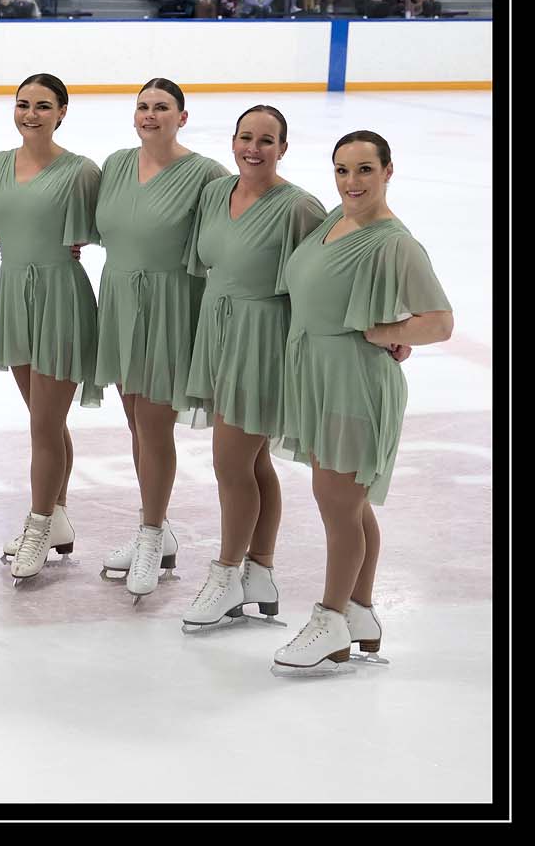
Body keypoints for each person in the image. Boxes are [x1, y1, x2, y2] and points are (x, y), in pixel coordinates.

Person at [273, 131, 453, 672]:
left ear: (388, 172)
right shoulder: (335, 219)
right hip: (319, 374)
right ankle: (361, 611)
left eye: (365, 170)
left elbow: (439, 323)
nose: (352, 182)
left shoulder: (395, 242)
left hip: (354, 380)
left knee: (337, 504)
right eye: (342, 170)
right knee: (349, 503)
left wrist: (384, 333)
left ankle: (330, 619)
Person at [179, 106, 327, 629]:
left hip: (263, 340)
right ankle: (259, 571)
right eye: (246, 137)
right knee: (253, 462)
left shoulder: (299, 208)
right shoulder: (217, 193)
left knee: (231, 464)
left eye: (267, 140)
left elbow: (327, 271)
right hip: (218, 333)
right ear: (232, 141)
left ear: (283, 149)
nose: (254, 148)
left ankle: (225, 576)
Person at [93, 79, 227, 598]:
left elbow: (228, 238)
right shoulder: (117, 165)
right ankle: (158, 525)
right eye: (143, 107)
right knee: (136, 422)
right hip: (120, 299)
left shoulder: (206, 175)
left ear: (182, 117)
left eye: (162, 108)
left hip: (172, 305)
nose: (151, 115)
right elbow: (103, 226)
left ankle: (151, 535)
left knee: (152, 426)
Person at [0, 75, 102, 576]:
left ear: (62, 112)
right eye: (23, 104)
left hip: (60, 297)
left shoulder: (81, 173)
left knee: (44, 425)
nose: (31, 114)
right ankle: (59, 518)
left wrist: (81, 242)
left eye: (43, 106)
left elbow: (117, 222)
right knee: (45, 420)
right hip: (14, 294)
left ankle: (39, 522)